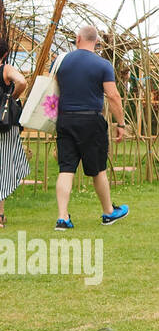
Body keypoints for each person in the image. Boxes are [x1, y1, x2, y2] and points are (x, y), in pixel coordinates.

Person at [53, 25, 129, 230]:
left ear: (78, 38)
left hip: (65, 119)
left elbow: (53, 90)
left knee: (66, 169)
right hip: (90, 121)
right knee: (98, 170)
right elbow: (112, 96)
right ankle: (108, 212)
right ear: (96, 41)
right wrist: (121, 123)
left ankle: (62, 218)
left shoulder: (61, 62)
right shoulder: (103, 65)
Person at [0, 52, 30, 227]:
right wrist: (10, 98)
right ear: (4, 54)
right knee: (3, 167)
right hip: (3, 124)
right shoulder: (6, 69)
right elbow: (22, 82)